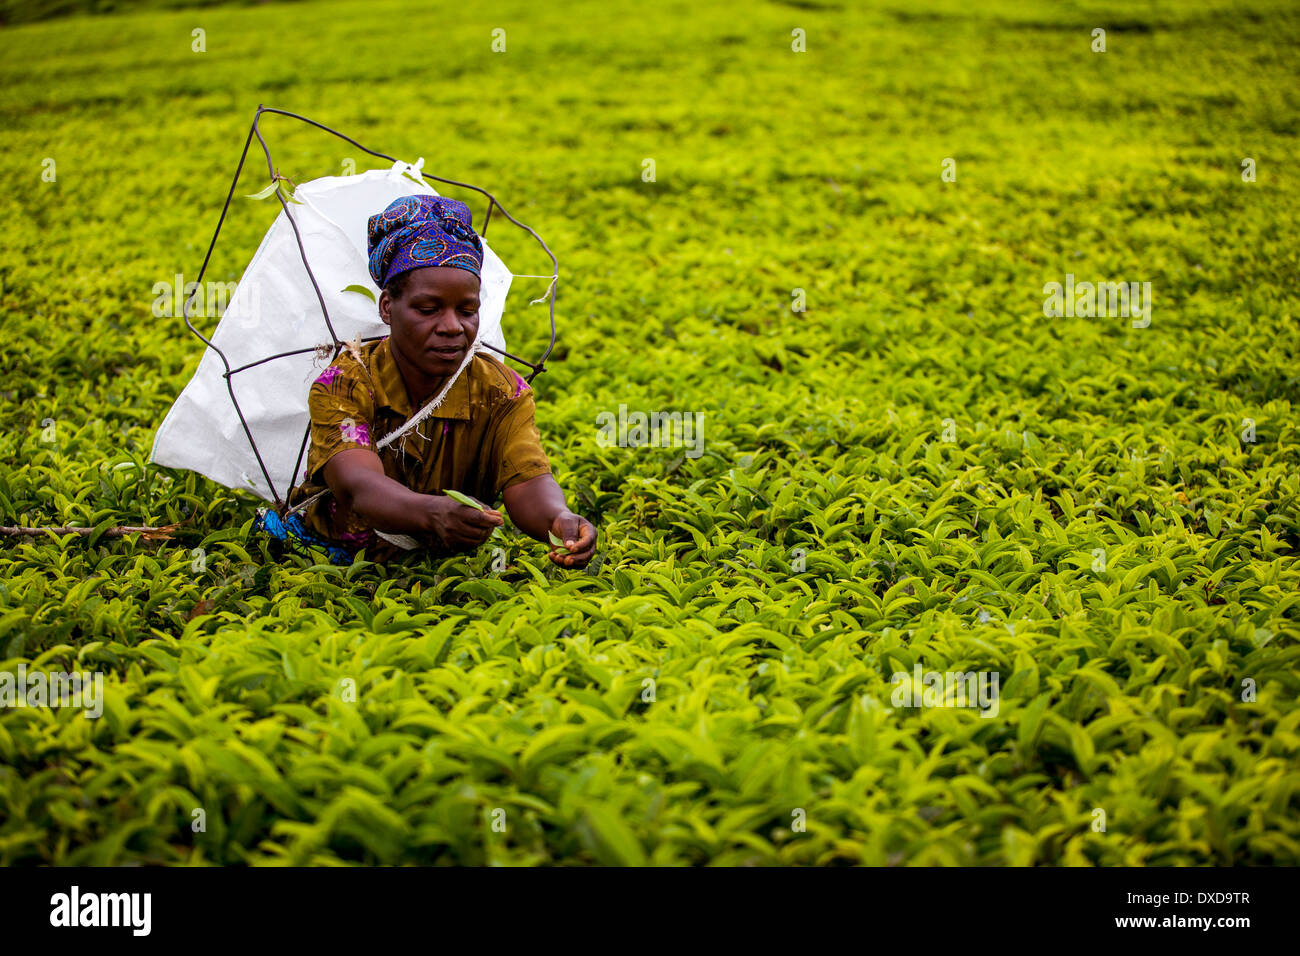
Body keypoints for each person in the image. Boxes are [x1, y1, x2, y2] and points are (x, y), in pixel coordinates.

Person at [258, 194, 596, 568]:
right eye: (428, 309)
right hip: (327, 563)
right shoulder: (346, 382)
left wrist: (558, 519)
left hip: (443, 571)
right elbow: (357, 485)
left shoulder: (502, 392)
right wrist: (431, 513)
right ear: (388, 307)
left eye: (467, 311)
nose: (453, 327)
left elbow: (527, 480)